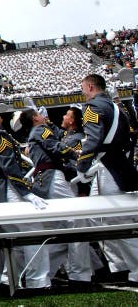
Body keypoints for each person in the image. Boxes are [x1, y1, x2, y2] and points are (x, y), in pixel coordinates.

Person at [0, 104, 50, 291]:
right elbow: (8, 165)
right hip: (8, 189)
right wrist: (26, 193)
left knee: (14, 238)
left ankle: (14, 279)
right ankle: (37, 281)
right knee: (33, 232)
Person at [77, 73, 138, 283]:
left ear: (91, 87)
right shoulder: (116, 107)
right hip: (117, 165)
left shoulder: (92, 107)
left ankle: (135, 268)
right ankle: (119, 265)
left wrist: (82, 165)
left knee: (117, 221)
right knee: (98, 218)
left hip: (108, 168)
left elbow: (93, 139)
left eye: (83, 88)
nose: (83, 92)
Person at [22, 108, 91, 286]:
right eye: (39, 114)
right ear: (35, 119)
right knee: (78, 220)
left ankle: (42, 275)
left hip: (44, 180)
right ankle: (79, 276)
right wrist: (76, 154)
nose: (43, 116)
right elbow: (55, 145)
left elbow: (56, 137)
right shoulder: (40, 129)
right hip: (53, 177)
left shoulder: (36, 131)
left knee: (59, 231)